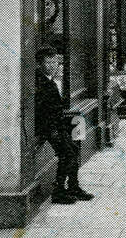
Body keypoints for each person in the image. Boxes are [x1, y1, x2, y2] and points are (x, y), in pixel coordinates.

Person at [35, 46, 93, 204]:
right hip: (49, 126)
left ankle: (74, 185)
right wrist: (56, 129)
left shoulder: (51, 80)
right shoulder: (40, 82)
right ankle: (59, 190)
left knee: (78, 124)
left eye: (55, 62)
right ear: (40, 64)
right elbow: (43, 112)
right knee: (68, 151)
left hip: (58, 120)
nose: (52, 65)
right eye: (48, 62)